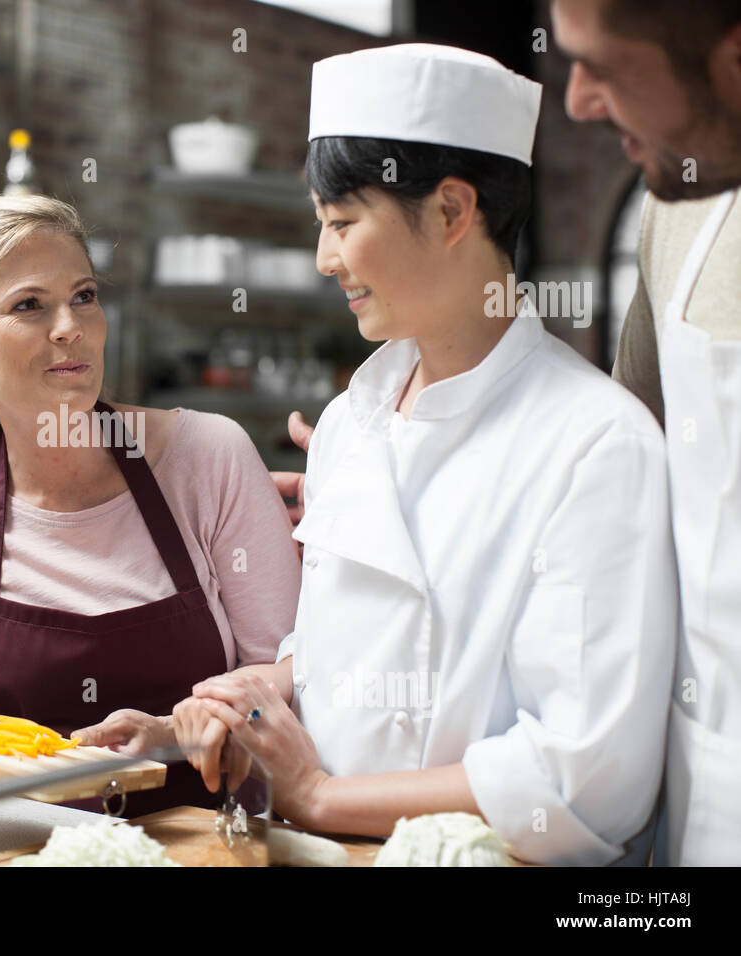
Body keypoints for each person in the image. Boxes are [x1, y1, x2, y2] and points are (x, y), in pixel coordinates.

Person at [167, 43, 678, 865]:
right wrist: (261, 696)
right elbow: (348, 654)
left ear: (450, 211)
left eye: (342, 224)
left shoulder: (596, 445)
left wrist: (322, 796)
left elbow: (585, 778)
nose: (326, 259)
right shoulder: (350, 419)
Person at [0, 194, 302, 815]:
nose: (70, 326)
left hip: (205, 848)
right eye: (30, 305)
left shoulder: (209, 457)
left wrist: (171, 738)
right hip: (22, 850)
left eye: (84, 296)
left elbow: (295, 685)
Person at [553, 0, 741, 865]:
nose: (578, 101)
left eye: (604, 67)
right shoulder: (682, 210)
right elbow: (619, 464)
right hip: (713, 787)